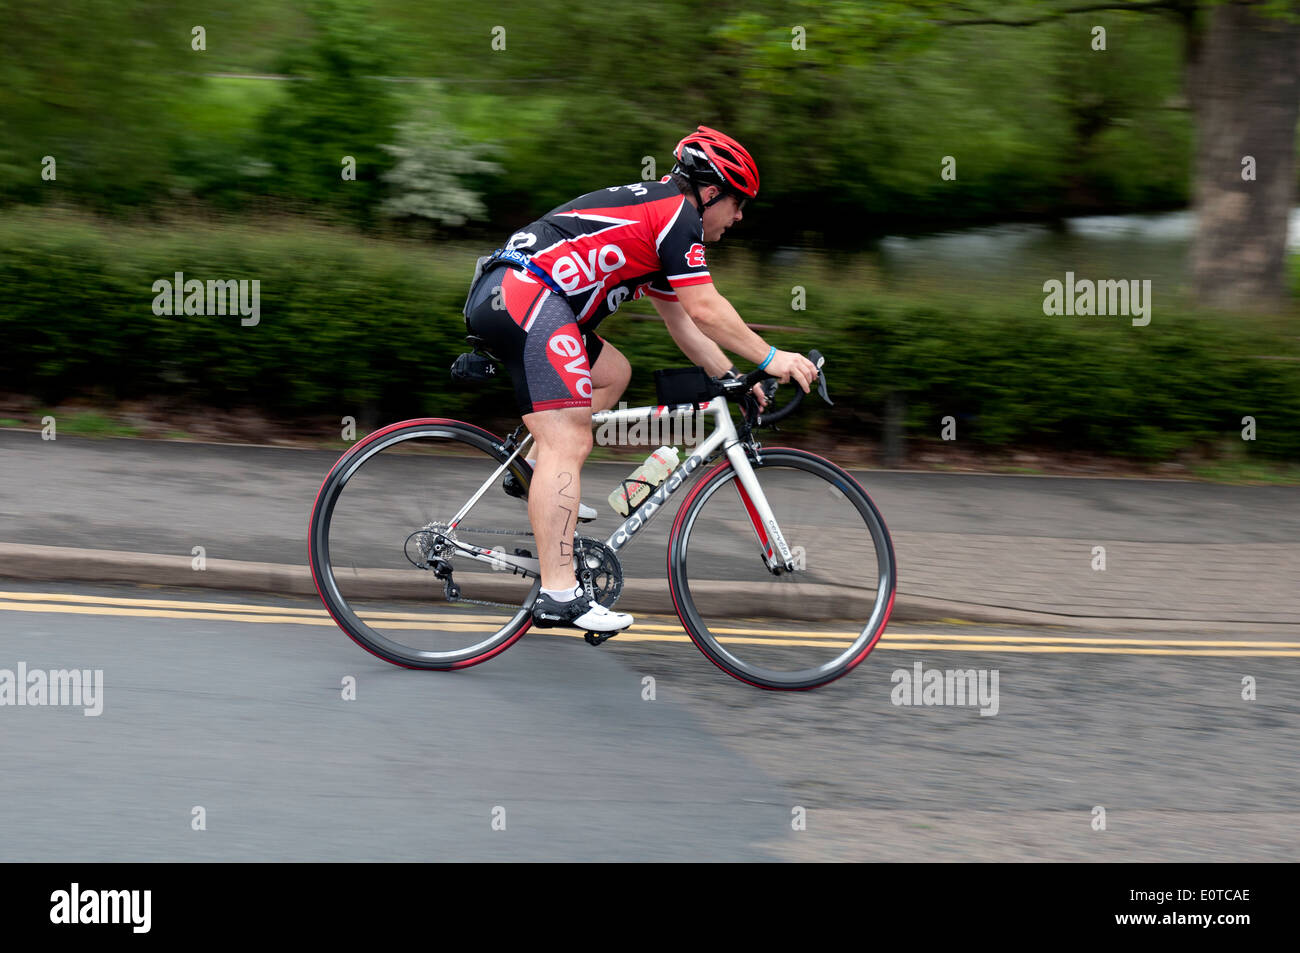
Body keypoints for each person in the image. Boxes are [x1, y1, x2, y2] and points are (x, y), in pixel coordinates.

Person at [462, 125, 817, 633]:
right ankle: (560, 595)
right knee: (570, 439)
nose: (739, 217)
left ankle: (534, 473)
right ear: (711, 192)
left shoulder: (661, 221)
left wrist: (737, 377)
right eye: (738, 203)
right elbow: (707, 307)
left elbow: (686, 323)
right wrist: (772, 357)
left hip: (524, 294)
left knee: (613, 374)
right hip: (528, 295)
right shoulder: (677, 217)